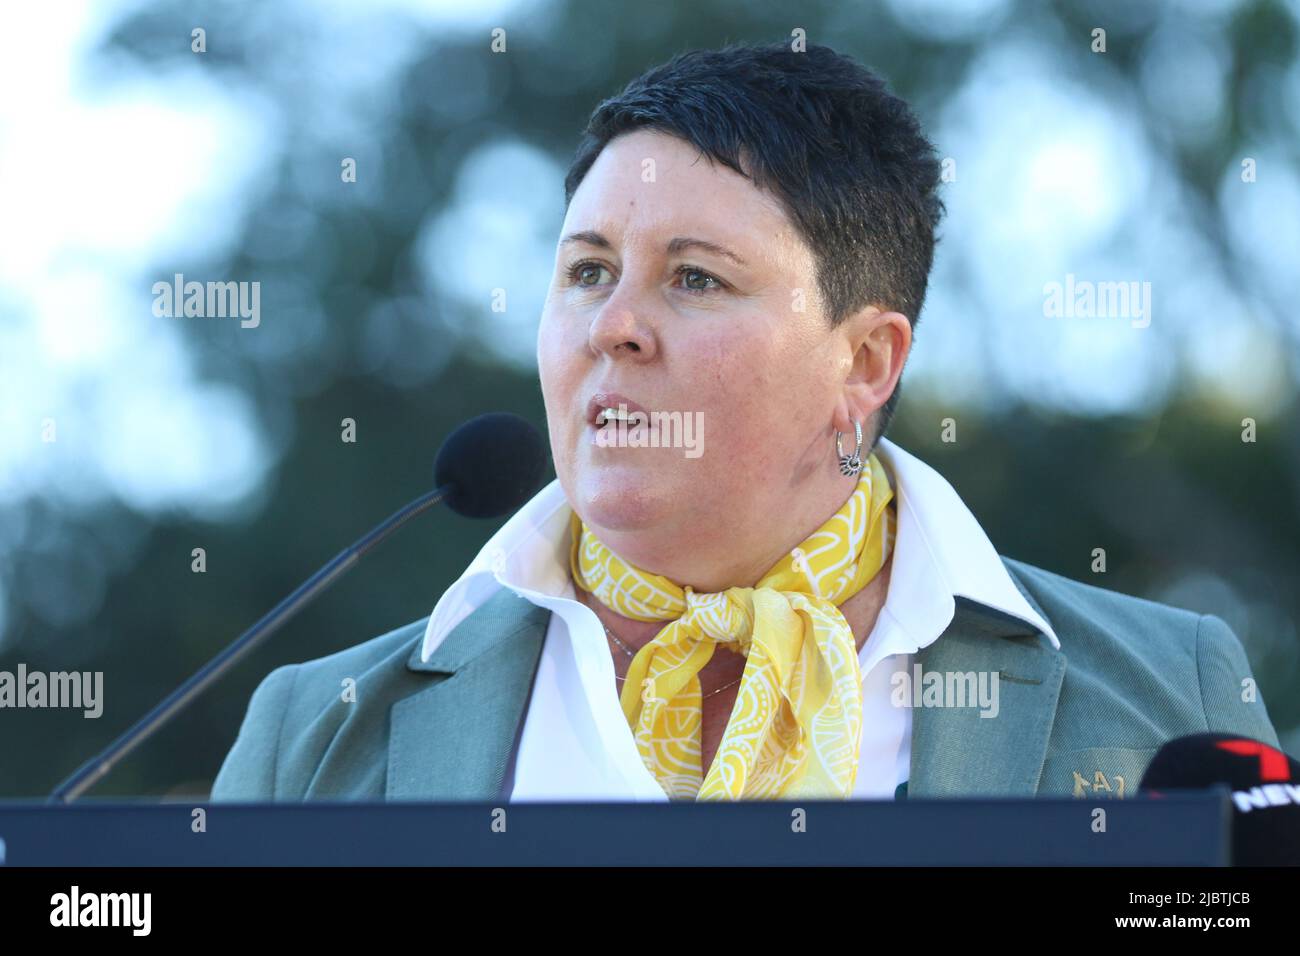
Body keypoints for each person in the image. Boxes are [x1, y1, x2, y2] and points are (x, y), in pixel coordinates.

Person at [211, 41, 1280, 803]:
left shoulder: (1163, 686)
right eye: (586, 271)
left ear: (863, 362)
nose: (614, 327)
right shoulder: (314, 729)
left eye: (695, 279)